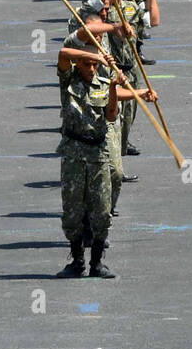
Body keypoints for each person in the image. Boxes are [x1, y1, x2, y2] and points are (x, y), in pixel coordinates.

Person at [55, 38, 155, 279]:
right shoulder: (68, 81)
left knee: (101, 209)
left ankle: (97, 262)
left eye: (94, 65)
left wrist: (113, 87)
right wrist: (99, 56)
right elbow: (62, 53)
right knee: (72, 209)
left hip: (97, 153)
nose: (91, 69)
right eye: (87, 64)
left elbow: (111, 116)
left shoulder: (103, 83)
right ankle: (77, 260)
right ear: (79, 64)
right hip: (73, 154)